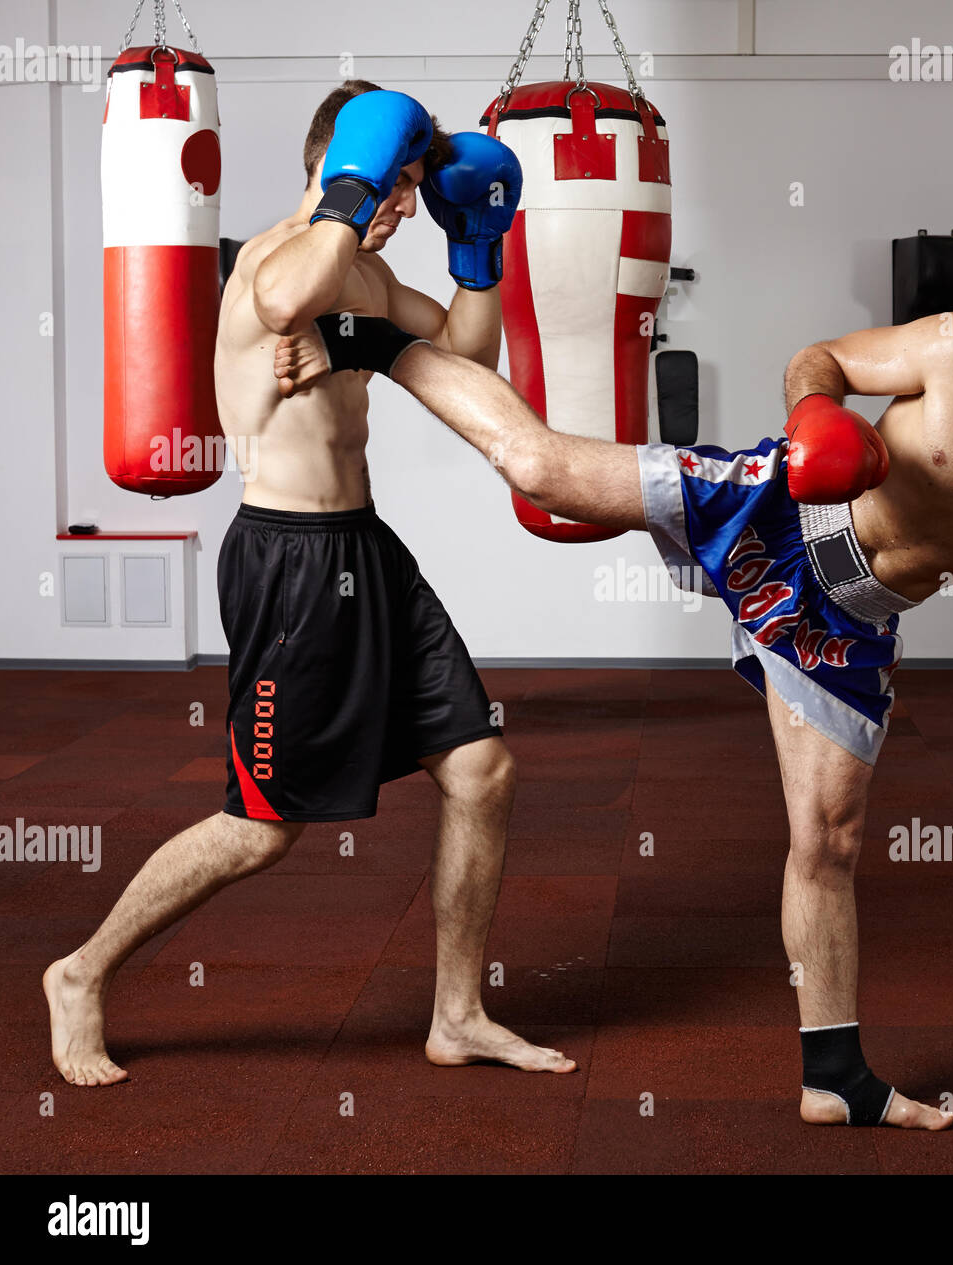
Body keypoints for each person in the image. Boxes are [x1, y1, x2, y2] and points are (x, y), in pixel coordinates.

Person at [273, 234, 953, 1128]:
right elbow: (817, 358)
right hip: (782, 510)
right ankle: (370, 342)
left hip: (846, 622)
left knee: (827, 841)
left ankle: (835, 1077)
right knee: (541, 470)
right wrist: (817, 414)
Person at [44, 81, 576, 1086]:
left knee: (482, 770)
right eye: (398, 182)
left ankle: (458, 1013)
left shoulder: (365, 277)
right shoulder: (269, 261)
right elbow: (289, 297)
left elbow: (467, 353)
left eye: (417, 188)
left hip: (367, 552)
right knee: (260, 826)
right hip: (287, 563)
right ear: (344, 164)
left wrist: (480, 249)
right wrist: (350, 192)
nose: (407, 205)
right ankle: (80, 970)